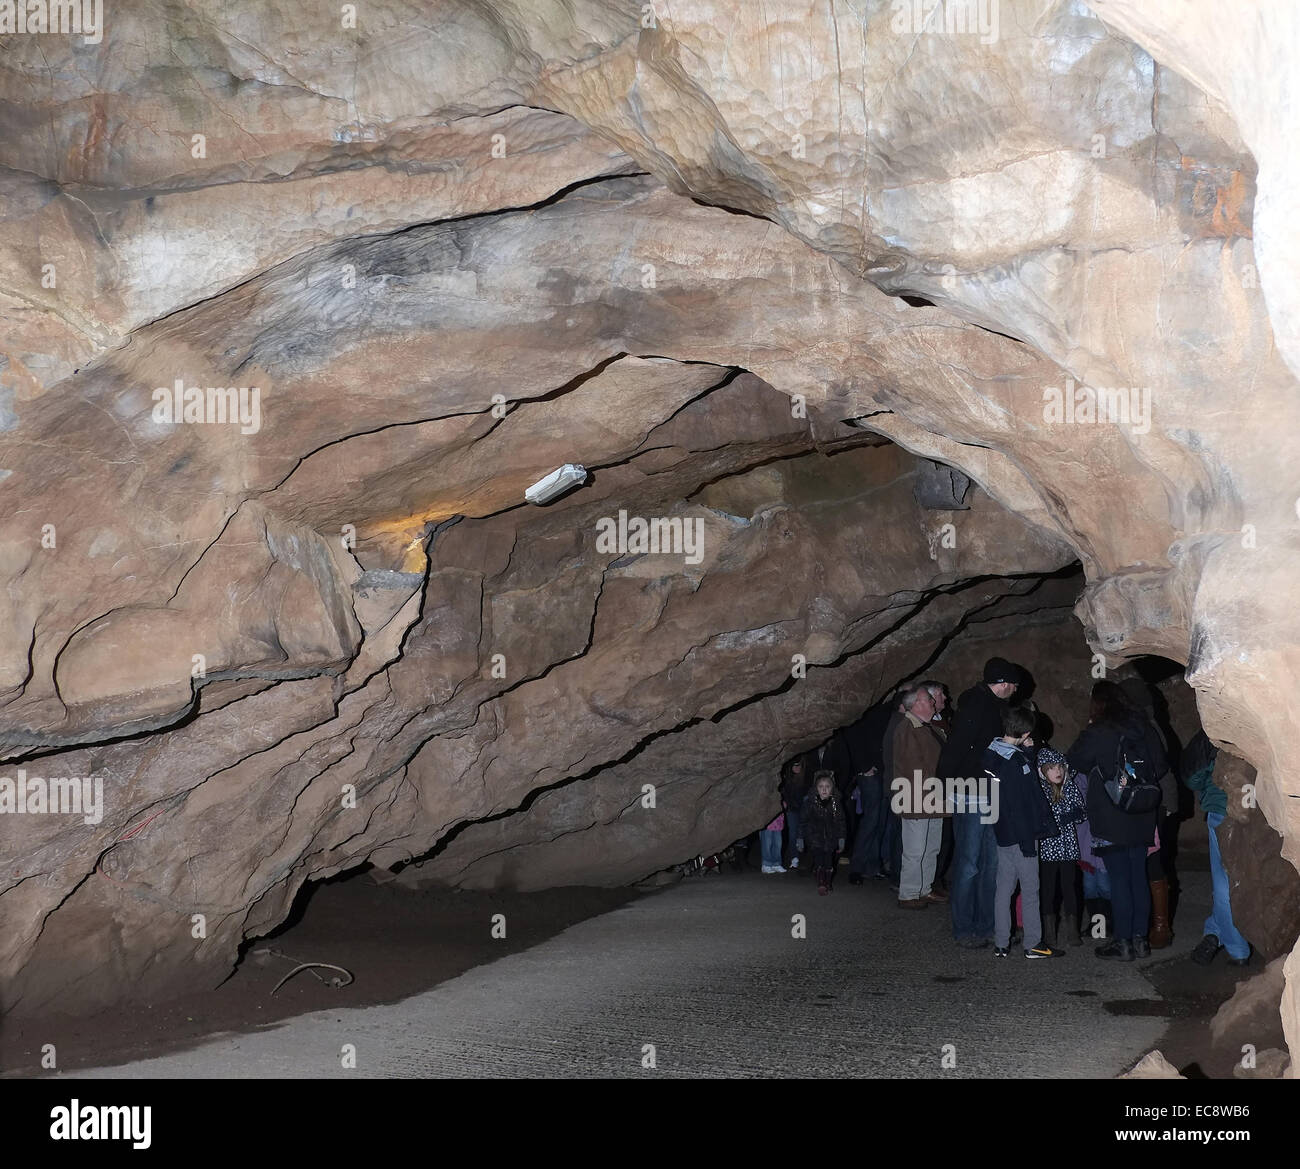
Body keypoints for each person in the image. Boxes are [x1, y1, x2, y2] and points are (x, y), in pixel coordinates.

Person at [1068, 681, 1164, 961]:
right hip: (1142, 810)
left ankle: (1122, 942)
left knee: (1119, 878)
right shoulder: (1145, 727)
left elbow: (1074, 760)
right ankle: (1140, 940)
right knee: (1138, 877)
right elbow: (1161, 765)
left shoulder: (1099, 730)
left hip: (1111, 813)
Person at [940, 657, 1021, 947]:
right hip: (972, 793)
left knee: (991, 864)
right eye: (1013, 683)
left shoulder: (998, 708)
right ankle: (965, 928)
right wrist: (945, 783)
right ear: (1003, 683)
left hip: (992, 793)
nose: (1015, 688)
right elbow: (958, 745)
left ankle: (987, 924)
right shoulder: (976, 704)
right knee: (970, 863)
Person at [985, 704, 1063, 958]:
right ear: (1027, 733)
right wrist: (1029, 840)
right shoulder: (1017, 762)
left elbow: (1008, 787)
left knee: (1003, 889)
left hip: (1002, 831)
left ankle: (1001, 942)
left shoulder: (992, 752)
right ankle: (1033, 943)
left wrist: (1026, 756)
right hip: (1022, 835)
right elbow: (1024, 799)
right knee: (1031, 890)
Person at [1118, 676, 1178, 948]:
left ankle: (1156, 927)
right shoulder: (1152, 723)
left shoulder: (1141, 727)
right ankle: (1159, 927)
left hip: (1153, 800)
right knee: (1155, 859)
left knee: (1149, 860)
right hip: (1162, 799)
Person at [1183, 733, 1252, 967]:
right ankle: (1214, 930)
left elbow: (1193, 775)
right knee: (1244, 877)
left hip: (1223, 812)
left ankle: (1237, 948)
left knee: (1224, 882)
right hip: (1261, 816)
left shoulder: (1219, 732)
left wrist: (1209, 785)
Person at [891, 685, 949, 909]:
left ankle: (924, 888)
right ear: (916, 704)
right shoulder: (907, 728)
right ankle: (908, 893)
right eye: (928, 700)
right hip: (918, 798)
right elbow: (914, 768)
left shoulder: (925, 727)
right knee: (915, 849)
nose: (933, 703)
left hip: (931, 797)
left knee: (931, 847)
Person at [1035, 746, 1086, 947]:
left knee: (1070, 887)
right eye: (1051, 768)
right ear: (1043, 770)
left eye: (1059, 767)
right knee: (1048, 889)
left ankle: (1072, 930)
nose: (1057, 771)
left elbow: (1081, 811)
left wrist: (1072, 815)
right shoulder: (1040, 790)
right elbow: (1040, 815)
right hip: (1048, 849)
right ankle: (1049, 932)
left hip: (1067, 848)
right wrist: (1061, 817)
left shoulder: (1069, 787)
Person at [796, 771, 846, 895]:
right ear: (816, 788)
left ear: (832, 789)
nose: (824, 790)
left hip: (830, 839)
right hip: (814, 838)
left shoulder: (836, 804)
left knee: (828, 861)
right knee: (819, 860)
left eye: (827, 787)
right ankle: (821, 882)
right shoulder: (810, 803)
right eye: (821, 787)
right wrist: (800, 838)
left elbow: (841, 822)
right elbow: (802, 821)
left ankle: (828, 881)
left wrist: (841, 838)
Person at [780, 754, 812, 869]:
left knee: (803, 834)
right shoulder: (786, 779)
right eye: (795, 765)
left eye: (799, 765)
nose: (797, 767)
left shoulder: (806, 779)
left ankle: (803, 858)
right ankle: (794, 858)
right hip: (792, 810)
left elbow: (809, 794)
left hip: (804, 810)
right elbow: (784, 794)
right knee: (793, 833)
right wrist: (787, 804)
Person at [760, 808, 787, 874]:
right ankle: (766, 864)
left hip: (778, 820)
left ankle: (776, 864)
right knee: (767, 843)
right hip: (767, 819)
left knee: (778, 843)